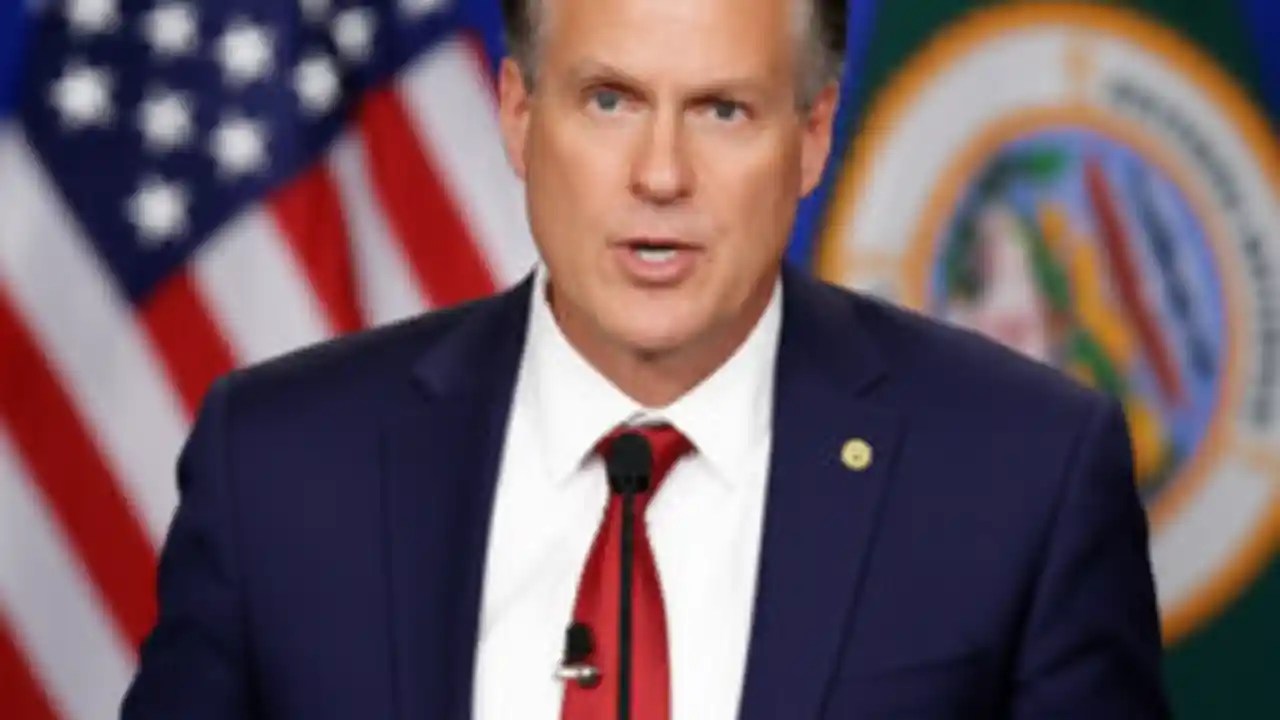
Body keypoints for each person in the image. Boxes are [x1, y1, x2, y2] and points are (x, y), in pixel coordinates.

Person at [120, 0, 1170, 717]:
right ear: (518, 116)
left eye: (722, 110)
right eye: (608, 100)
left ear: (810, 137)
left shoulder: (1019, 475)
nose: (659, 174)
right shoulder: (277, 466)